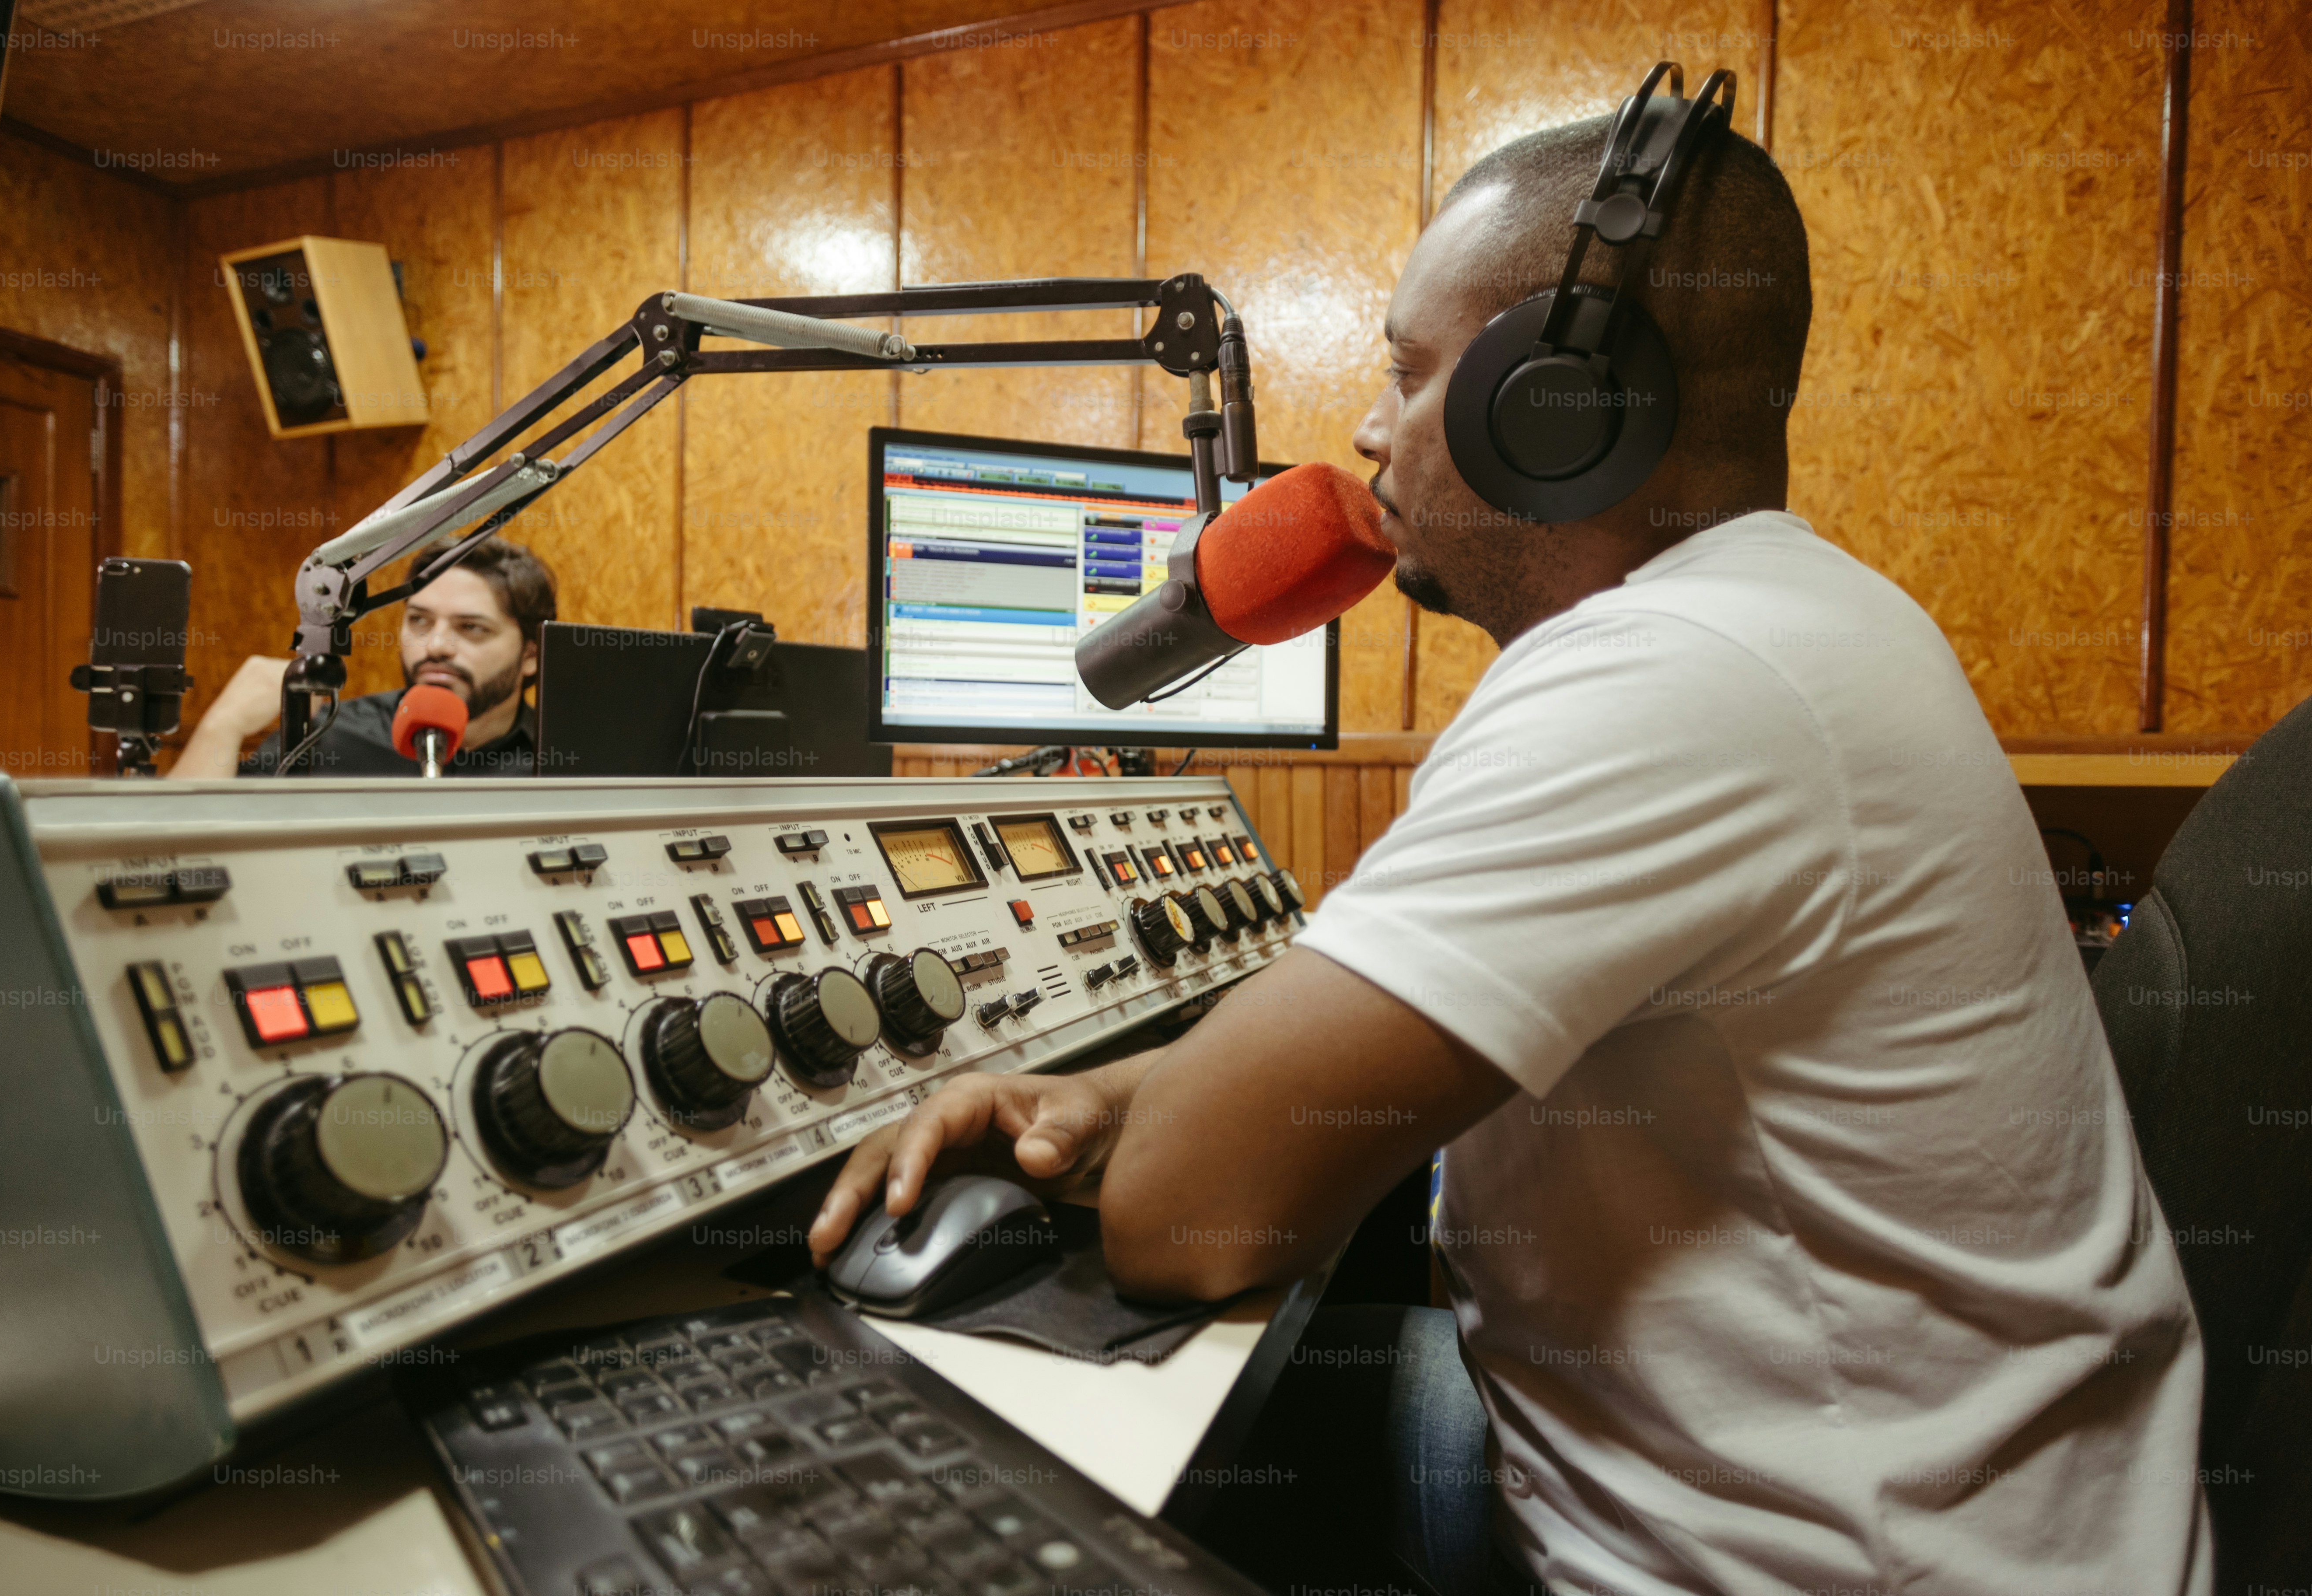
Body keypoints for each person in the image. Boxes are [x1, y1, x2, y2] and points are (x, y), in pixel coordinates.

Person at [809, 112, 2211, 1596]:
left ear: (1554, 405)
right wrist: (1101, 1091)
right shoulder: (1780, 620)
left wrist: (1150, 1135)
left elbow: (1181, 1219)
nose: (1365, 429)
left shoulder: (1666, 677)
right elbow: (1319, 1075)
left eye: (1411, 376)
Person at [169, 537, 556, 778]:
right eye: (420, 621)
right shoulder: (332, 737)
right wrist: (222, 727)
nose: (436, 645)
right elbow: (171, 859)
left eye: (471, 628)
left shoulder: (563, 757)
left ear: (531, 655)